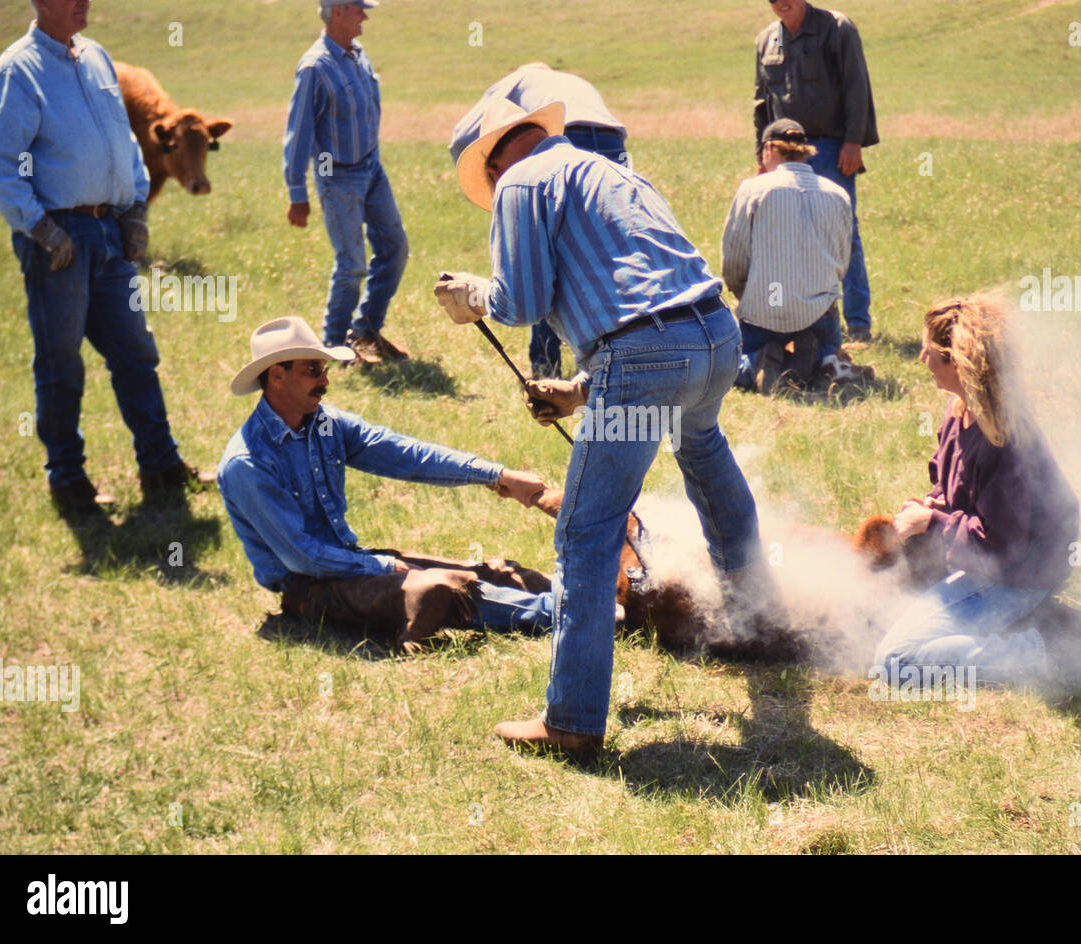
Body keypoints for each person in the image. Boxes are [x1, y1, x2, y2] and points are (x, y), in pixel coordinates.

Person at [435, 101, 779, 756]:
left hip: (646, 353)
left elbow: (524, 302)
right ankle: (754, 620)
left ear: (491, 158)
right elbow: (652, 296)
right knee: (704, 454)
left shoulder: (519, 183)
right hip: (711, 336)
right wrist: (583, 391)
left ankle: (570, 721)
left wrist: (475, 295)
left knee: (587, 534)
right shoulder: (606, 170)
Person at [0, 0, 210, 517]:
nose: (84, 3)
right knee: (61, 363)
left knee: (136, 353)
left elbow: (125, 144)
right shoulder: (17, 71)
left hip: (108, 231)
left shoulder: (98, 58)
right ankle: (68, 481)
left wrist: (133, 212)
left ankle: (160, 464)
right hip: (57, 235)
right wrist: (40, 227)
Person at [218, 317, 556, 650]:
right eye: (312, 370)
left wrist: (495, 475)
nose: (324, 381)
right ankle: (571, 616)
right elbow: (303, 558)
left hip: (350, 564)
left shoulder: (325, 423)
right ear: (277, 375)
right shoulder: (248, 464)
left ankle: (579, 596)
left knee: (493, 572)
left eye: (324, 369)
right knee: (439, 590)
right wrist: (381, 565)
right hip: (310, 589)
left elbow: (406, 455)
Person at [872, 296, 1081, 691]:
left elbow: (1001, 546)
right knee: (887, 618)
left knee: (896, 661)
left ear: (957, 361)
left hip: (1015, 576)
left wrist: (932, 522)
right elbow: (954, 487)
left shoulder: (1003, 439)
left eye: (930, 351)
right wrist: (933, 502)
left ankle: (1052, 652)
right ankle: (1053, 627)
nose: (922, 358)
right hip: (992, 567)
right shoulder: (959, 409)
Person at [448, 63, 630, 380]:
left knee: (542, 254)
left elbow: (462, 135)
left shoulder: (515, 81)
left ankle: (545, 365)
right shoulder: (574, 80)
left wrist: (483, 177)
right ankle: (615, 351)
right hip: (612, 143)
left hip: (563, 137)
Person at [283, 0, 409, 368]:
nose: (365, 15)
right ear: (339, 12)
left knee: (395, 248)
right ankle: (335, 346)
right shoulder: (314, 68)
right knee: (352, 263)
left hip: (371, 168)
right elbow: (299, 134)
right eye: (359, 9)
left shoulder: (358, 55)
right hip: (337, 175)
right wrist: (297, 193)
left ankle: (366, 331)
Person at [755, 0, 878, 342]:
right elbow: (762, 102)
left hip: (831, 147)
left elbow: (857, 87)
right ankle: (806, 320)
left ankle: (857, 323)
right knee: (788, 235)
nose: (780, 2)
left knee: (840, 232)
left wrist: (854, 141)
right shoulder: (767, 39)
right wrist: (762, 153)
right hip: (783, 153)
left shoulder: (837, 28)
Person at [721, 117, 859, 392]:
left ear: (769, 148)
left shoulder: (752, 190)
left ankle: (757, 362)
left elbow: (734, 260)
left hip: (763, 309)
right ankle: (821, 362)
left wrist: (743, 293)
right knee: (827, 346)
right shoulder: (838, 193)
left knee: (730, 366)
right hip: (819, 311)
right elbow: (843, 263)